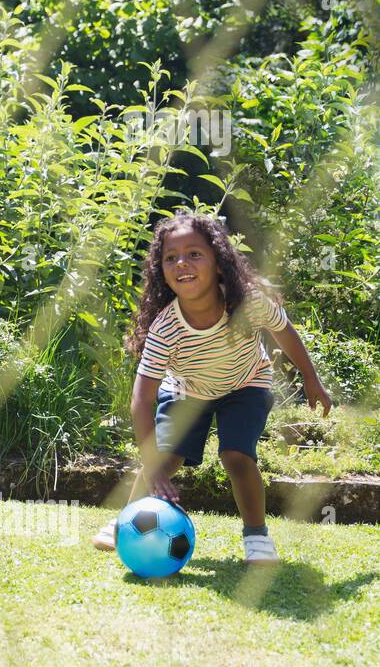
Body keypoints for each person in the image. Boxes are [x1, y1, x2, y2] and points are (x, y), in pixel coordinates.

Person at [90, 213, 331, 565]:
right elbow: (142, 398)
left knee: (236, 456)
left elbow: (283, 330)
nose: (181, 263)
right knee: (164, 459)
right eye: (170, 258)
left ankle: (257, 537)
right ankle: (128, 522)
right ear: (161, 271)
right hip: (188, 391)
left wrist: (311, 377)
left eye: (194, 254)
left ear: (219, 262)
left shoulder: (246, 303)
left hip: (246, 383)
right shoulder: (165, 328)